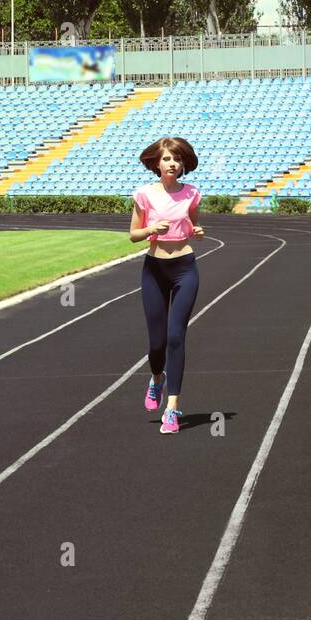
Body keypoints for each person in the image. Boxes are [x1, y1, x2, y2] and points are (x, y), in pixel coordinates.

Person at [130, 136, 206, 434]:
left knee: (177, 336)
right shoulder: (144, 195)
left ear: (183, 164)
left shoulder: (192, 194)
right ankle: (157, 379)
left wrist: (198, 231)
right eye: (166, 159)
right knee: (157, 343)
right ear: (157, 163)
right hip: (154, 270)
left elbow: (193, 225)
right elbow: (134, 235)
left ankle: (172, 408)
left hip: (185, 268)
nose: (172, 163)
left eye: (177, 159)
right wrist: (151, 228)